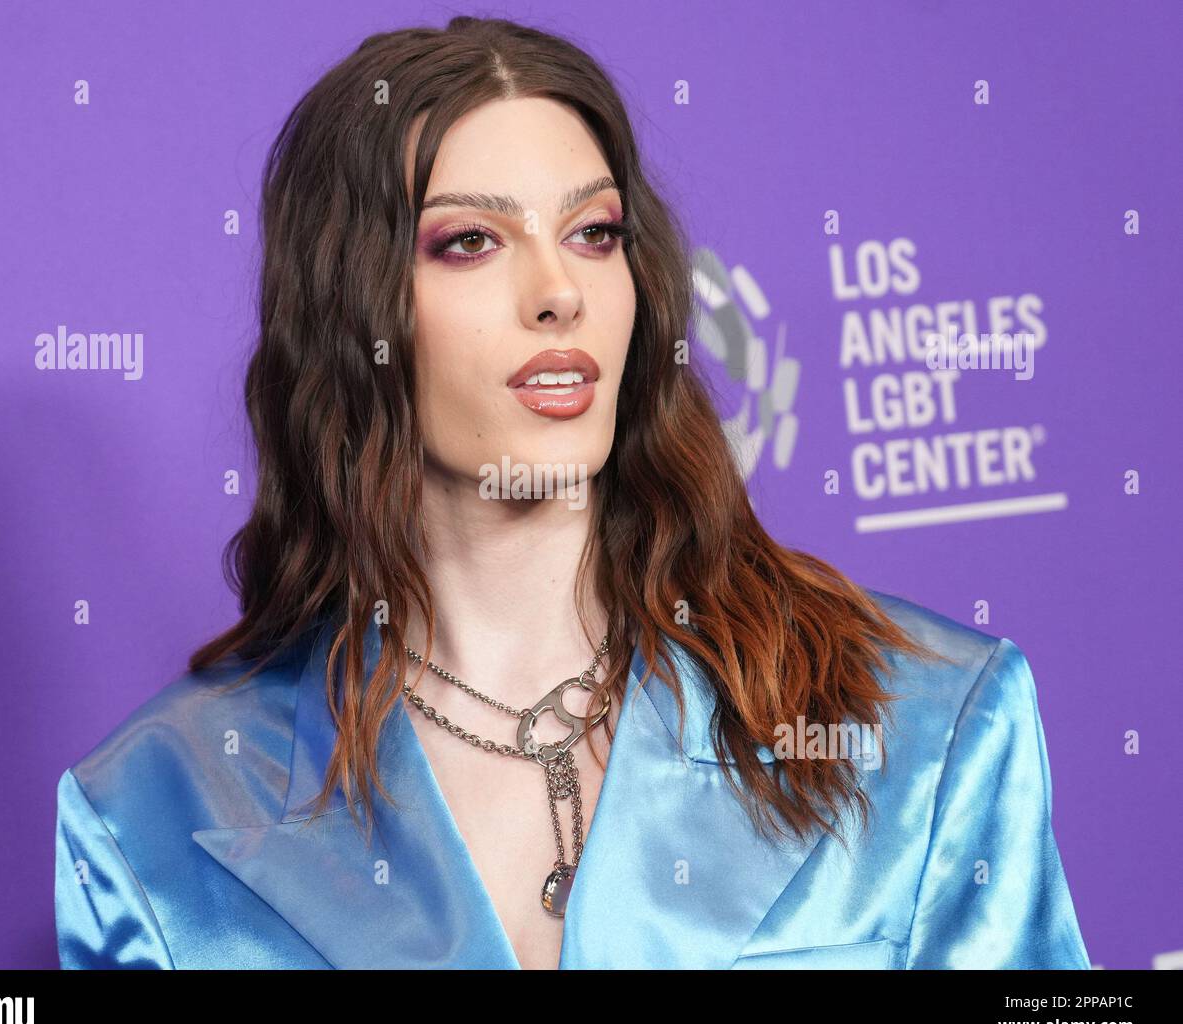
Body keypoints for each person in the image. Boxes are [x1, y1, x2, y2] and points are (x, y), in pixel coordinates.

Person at [54, 15, 1090, 971]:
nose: (559, 291)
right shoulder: (154, 805)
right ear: (351, 313)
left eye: (594, 232)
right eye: (469, 241)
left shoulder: (925, 720)